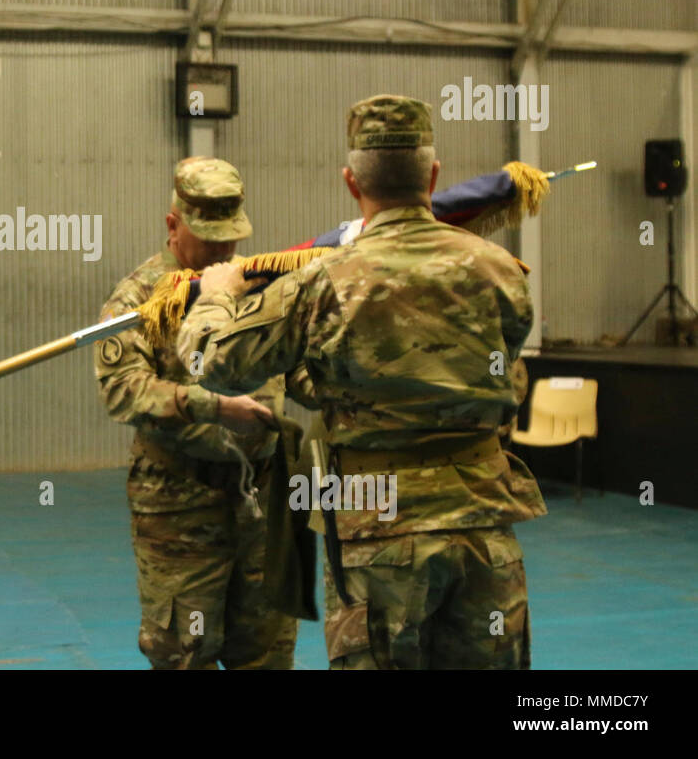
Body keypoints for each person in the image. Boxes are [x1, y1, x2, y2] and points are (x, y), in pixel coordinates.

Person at [176, 95, 547, 669]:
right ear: (433, 175)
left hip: (379, 535)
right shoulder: (499, 269)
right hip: (483, 526)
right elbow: (505, 377)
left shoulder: (322, 280)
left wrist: (219, 295)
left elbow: (211, 363)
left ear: (352, 183)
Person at [95, 157, 298, 669]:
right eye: (210, 240)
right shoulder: (139, 299)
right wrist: (211, 407)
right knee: (185, 652)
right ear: (173, 225)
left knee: (269, 653)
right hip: (181, 505)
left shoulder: (258, 284)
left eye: (232, 238)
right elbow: (123, 390)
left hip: (265, 499)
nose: (224, 252)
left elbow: (297, 366)